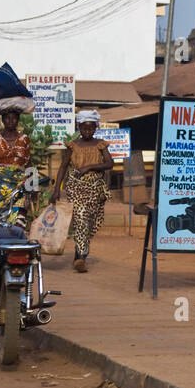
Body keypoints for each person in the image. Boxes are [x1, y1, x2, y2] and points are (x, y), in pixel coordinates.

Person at [50, 110, 114, 273]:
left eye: (90, 128)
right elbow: (63, 167)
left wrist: (89, 167)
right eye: (84, 128)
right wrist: (57, 190)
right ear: (79, 127)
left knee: (89, 222)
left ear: (95, 128)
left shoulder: (101, 144)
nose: (87, 131)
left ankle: (79, 252)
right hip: (76, 188)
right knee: (80, 219)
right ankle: (81, 258)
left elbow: (109, 163)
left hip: (94, 189)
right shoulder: (72, 145)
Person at [0, 109, 32, 213]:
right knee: (0, 216)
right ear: (2, 120)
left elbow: (29, 164)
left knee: (18, 215)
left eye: (14, 118)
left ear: (18, 120)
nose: (11, 121)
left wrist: (33, 185)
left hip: (19, 184)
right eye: (7, 118)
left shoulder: (25, 139)